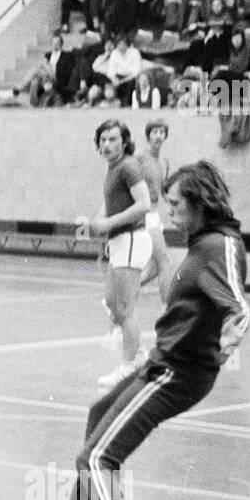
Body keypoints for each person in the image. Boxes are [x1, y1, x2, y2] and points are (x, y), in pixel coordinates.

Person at [41, 161, 250, 500]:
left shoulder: (220, 245)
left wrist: (234, 328)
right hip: (164, 361)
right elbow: (177, 296)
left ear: (199, 203)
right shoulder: (199, 246)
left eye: (176, 204)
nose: (169, 210)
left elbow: (238, 303)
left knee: (98, 457)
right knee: (99, 412)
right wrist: (158, 252)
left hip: (179, 372)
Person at [89, 119, 153, 391]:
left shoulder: (127, 166)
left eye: (113, 139)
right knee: (113, 306)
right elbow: (110, 201)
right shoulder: (113, 168)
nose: (107, 144)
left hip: (131, 241)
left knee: (125, 310)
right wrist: (99, 220)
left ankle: (128, 368)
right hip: (119, 243)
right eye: (103, 139)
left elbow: (144, 204)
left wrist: (110, 223)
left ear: (124, 142)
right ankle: (138, 354)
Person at [136, 119, 174, 303]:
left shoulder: (164, 162)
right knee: (165, 262)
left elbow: (162, 190)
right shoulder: (139, 157)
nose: (158, 136)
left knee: (155, 267)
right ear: (148, 135)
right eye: (154, 132)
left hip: (156, 215)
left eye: (161, 132)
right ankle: (168, 311)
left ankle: (124, 294)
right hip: (143, 215)